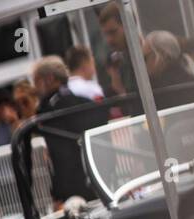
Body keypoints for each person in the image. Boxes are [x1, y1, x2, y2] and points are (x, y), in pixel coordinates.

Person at [32, 56, 99, 205]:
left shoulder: (50, 111)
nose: (35, 87)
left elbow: (61, 154)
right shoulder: (84, 102)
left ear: (49, 79)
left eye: (36, 81)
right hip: (97, 180)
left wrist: (59, 192)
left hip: (73, 190)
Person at [99, 1, 133, 95]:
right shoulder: (117, 64)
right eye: (106, 34)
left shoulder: (149, 58)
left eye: (113, 32)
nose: (109, 40)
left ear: (129, 25)